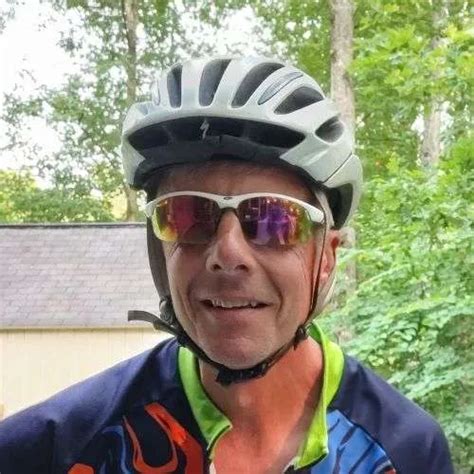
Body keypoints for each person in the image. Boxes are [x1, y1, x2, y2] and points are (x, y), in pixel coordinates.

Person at [0, 56, 453, 473]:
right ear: (160, 250)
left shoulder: (406, 452)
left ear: (327, 257)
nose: (228, 254)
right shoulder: (52, 450)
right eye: (187, 215)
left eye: (275, 219)